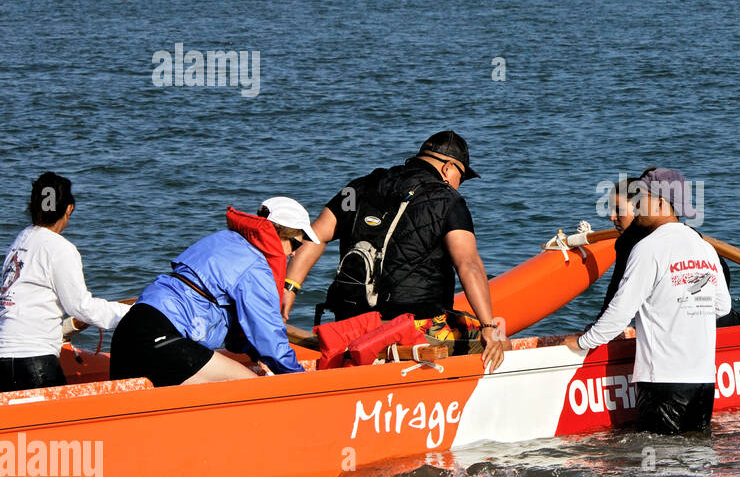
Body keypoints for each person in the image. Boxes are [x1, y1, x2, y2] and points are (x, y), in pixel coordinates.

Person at [283, 131, 506, 372]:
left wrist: (289, 289)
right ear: (448, 168)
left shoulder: (359, 187)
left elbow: (314, 236)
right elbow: (468, 264)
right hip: (411, 325)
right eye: (460, 177)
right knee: (498, 337)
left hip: (350, 322)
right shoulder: (448, 200)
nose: (459, 186)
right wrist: (489, 328)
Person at [564, 168, 732, 435]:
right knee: (697, 459)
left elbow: (620, 312)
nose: (636, 207)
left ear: (662, 203)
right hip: (703, 382)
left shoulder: (648, 248)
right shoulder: (704, 248)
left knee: (659, 467)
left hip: (663, 381)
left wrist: (583, 342)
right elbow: (722, 307)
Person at [110, 198, 319, 387]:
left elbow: (237, 339)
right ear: (280, 233)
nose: (294, 253)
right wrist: (301, 380)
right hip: (161, 337)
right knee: (253, 388)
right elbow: (269, 336)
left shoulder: (223, 239)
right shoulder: (256, 266)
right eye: (296, 243)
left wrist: (255, 352)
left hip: (128, 333)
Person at [0, 174, 130, 393]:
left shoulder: (19, 242)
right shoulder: (60, 248)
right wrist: (132, 313)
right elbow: (80, 307)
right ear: (69, 208)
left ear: (32, 206)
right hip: (35, 363)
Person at [595, 170, 740, 330]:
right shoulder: (678, 231)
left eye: (618, 209)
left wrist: (590, 335)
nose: (612, 217)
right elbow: (617, 293)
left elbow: (617, 296)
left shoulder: (634, 243)